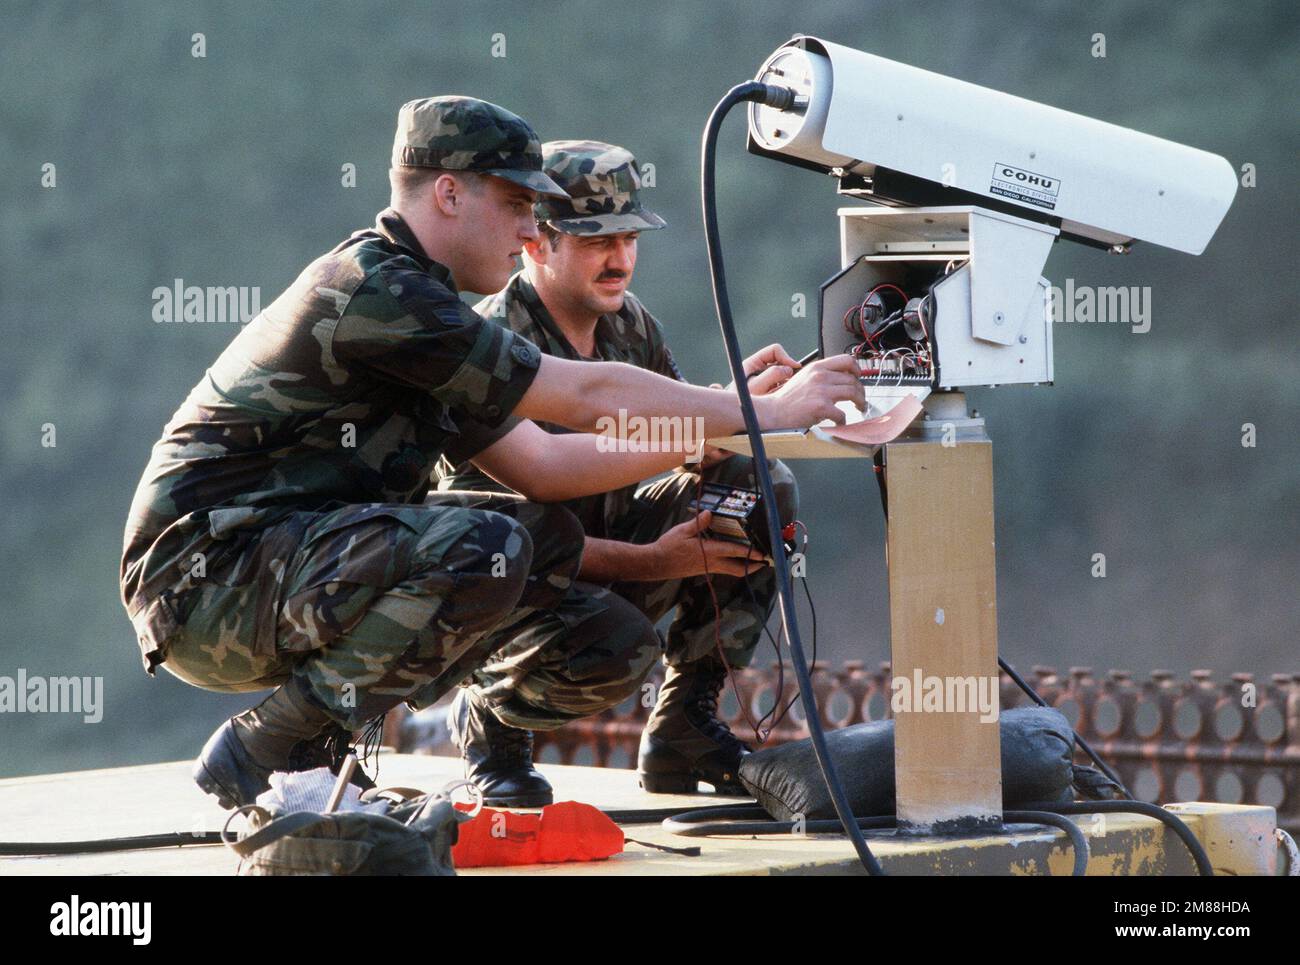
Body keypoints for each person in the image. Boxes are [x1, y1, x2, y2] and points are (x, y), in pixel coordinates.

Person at [119, 97, 864, 810]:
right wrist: (759, 412)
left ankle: (315, 752)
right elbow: (584, 398)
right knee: (493, 542)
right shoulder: (383, 294)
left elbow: (543, 467)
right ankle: (268, 745)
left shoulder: (427, 311)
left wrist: (725, 420)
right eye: (515, 206)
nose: (525, 228)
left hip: (267, 571)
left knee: (535, 537)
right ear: (449, 193)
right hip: (203, 579)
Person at [435, 140, 802, 797]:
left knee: (759, 490)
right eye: (596, 239)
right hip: (510, 585)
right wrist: (654, 562)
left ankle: (684, 726)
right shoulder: (492, 345)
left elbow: (684, 443)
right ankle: (490, 719)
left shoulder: (630, 325)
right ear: (537, 244)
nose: (621, 258)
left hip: (607, 544)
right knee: (616, 638)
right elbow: (493, 547)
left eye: (629, 236)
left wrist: (738, 406)